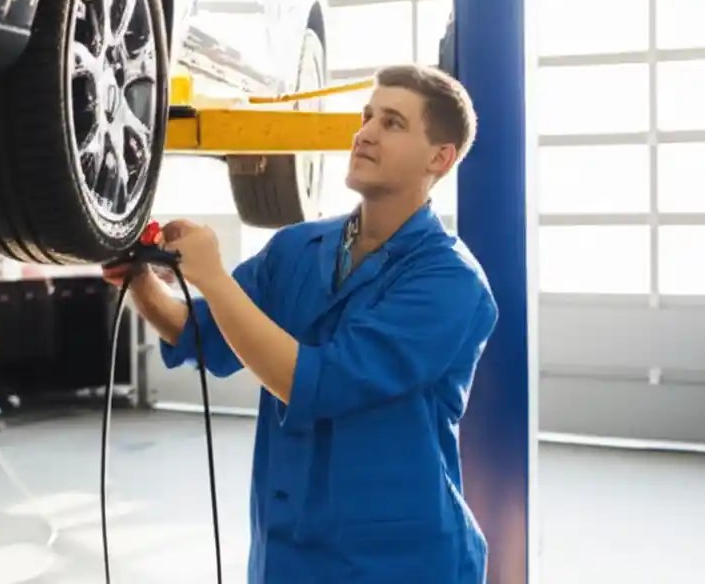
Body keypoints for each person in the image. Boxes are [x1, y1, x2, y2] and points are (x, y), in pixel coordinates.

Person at [104, 63, 499, 583]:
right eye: (367, 116)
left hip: (399, 561)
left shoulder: (451, 282)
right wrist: (138, 281)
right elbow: (204, 335)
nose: (365, 134)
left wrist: (214, 277)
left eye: (393, 123)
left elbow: (317, 382)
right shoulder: (297, 248)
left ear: (440, 158)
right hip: (288, 552)